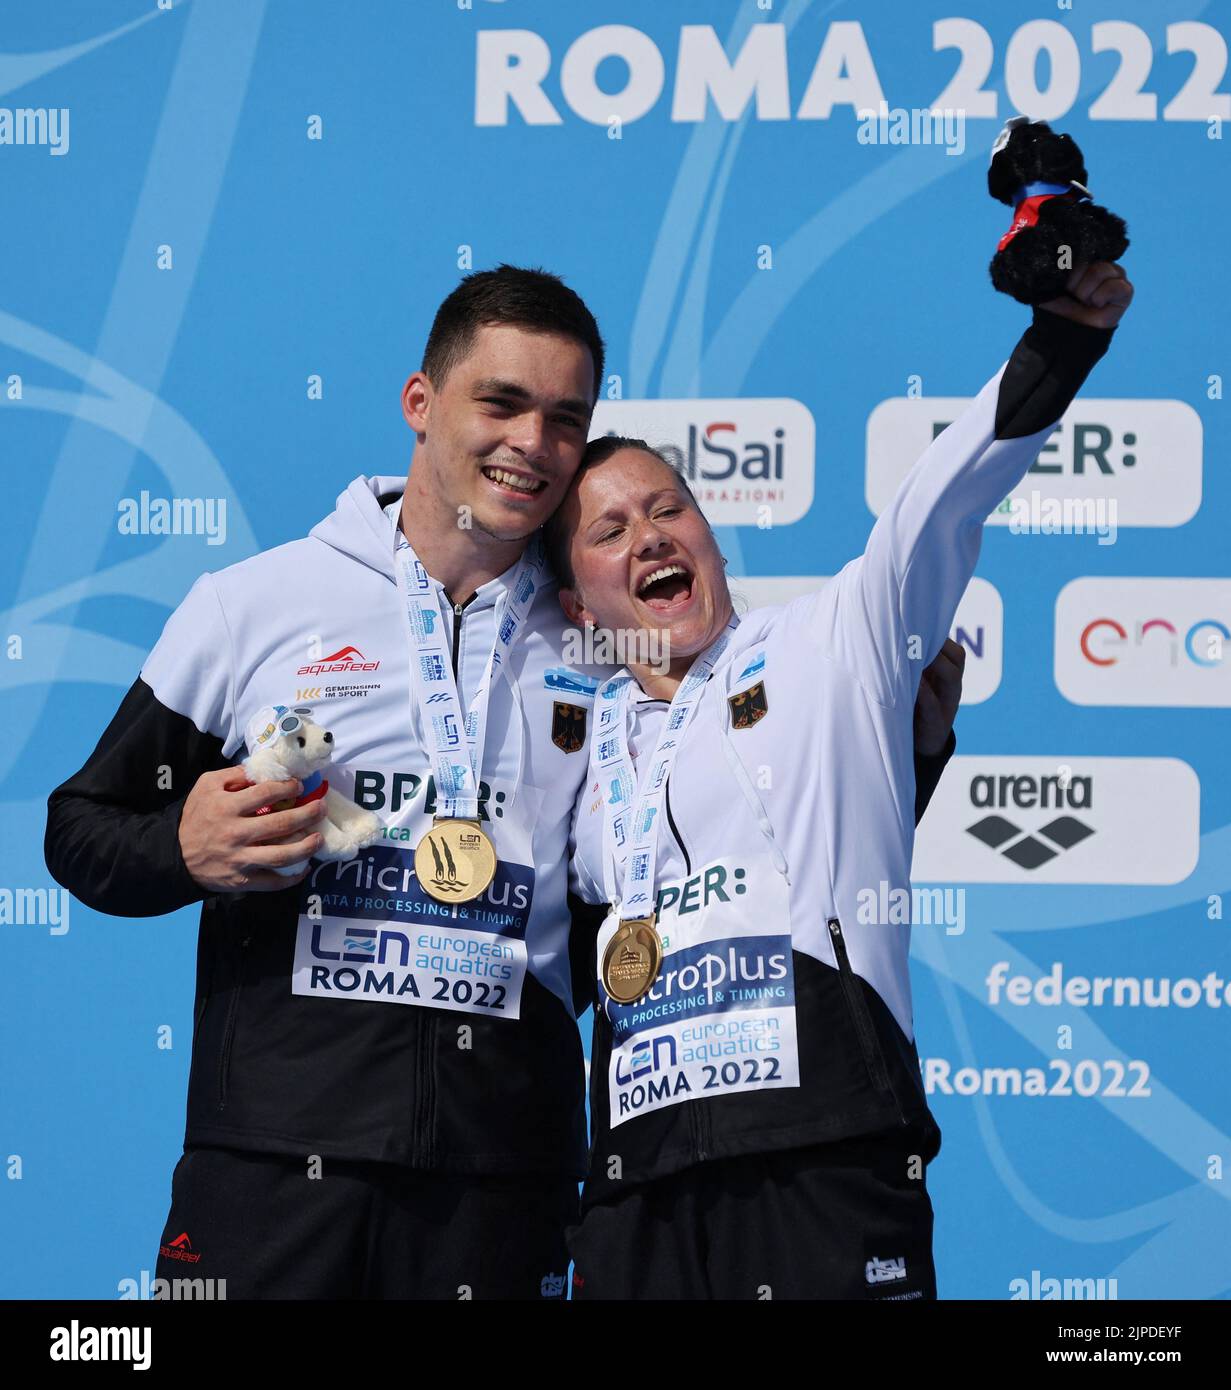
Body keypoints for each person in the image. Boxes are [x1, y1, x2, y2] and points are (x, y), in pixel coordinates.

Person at [43, 264, 959, 1301]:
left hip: (503, 1190)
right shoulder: (252, 606)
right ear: (420, 404)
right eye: (502, 402)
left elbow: (723, 834)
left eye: (565, 418)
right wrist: (181, 847)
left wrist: (906, 754)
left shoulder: (601, 635)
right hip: (271, 1164)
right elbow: (78, 828)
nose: (533, 443)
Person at [551, 261, 1133, 1300]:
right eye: (610, 530)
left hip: (821, 1157)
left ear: (708, 532)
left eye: (668, 507)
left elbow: (940, 502)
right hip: (639, 1198)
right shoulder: (573, 751)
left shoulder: (833, 644)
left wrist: (1063, 336)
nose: (650, 536)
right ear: (579, 604)